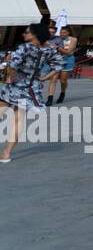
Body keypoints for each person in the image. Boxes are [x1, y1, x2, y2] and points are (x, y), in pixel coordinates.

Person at [1, 23, 60, 163]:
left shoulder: (24, 48)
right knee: (18, 121)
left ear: (34, 34)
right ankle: (6, 154)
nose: (24, 34)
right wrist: (44, 77)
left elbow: (13, 67)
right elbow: (57, 65)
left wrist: (11, 74)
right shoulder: (50, 49)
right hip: (31, 88)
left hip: (14, 87)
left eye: (27, 32)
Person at [45, 24, 77, 105]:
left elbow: (69, 52)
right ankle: (50, 98)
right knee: (53, 78)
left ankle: (62, 93)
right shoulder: (57, 39)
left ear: (68, 32)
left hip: (68, 60)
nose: (62, 34)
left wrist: (57, 48)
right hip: (57, 60)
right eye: (61, 32)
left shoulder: (73, 39)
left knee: (63, 80)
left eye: (64, 32)